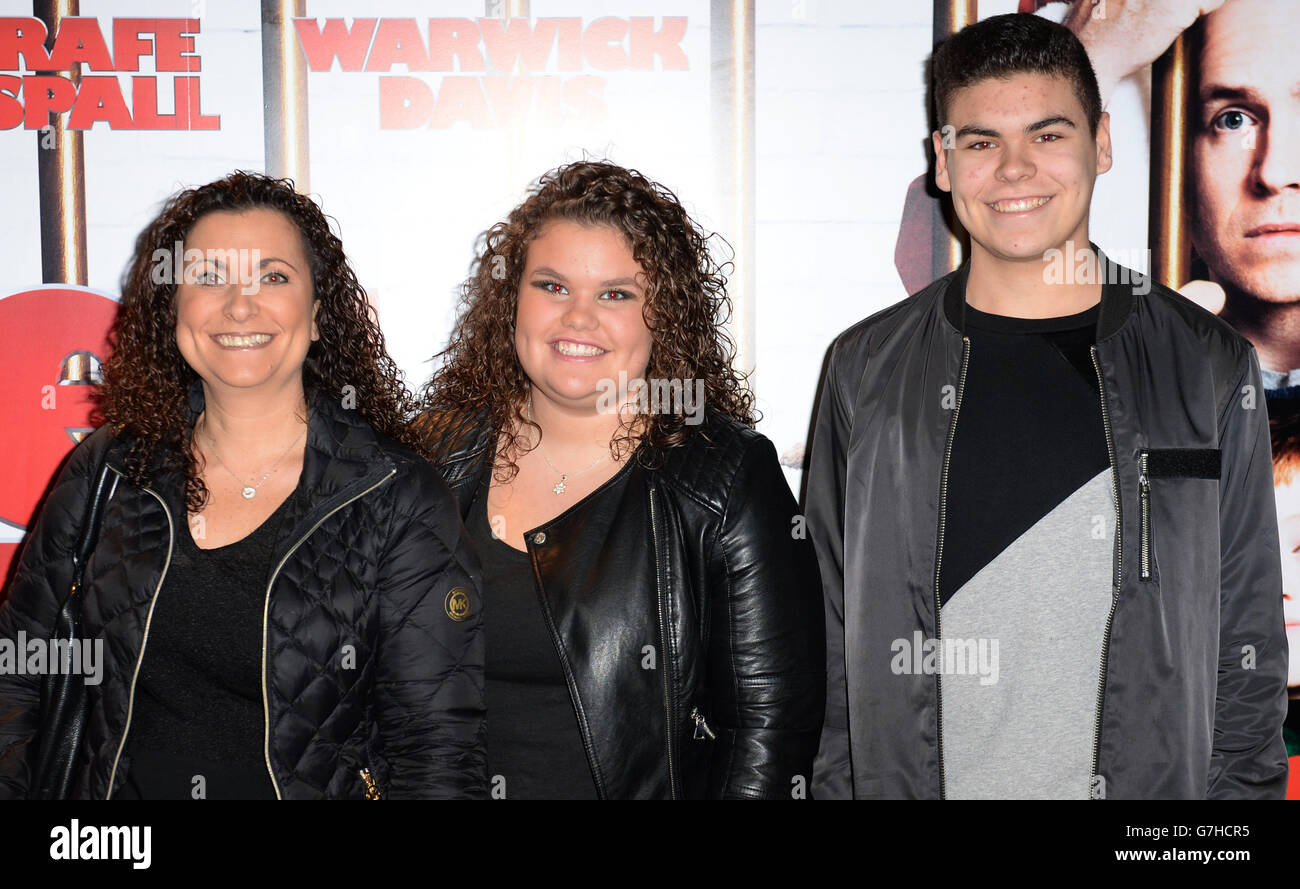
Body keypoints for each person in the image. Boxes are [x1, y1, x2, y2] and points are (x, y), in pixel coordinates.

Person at [808, 13, 1286, 798]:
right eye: (982, 140)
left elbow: (1247, 656)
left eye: (1048, 134)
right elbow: (828, 652)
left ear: (1102, 142)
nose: (1014, 169)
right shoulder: (865, 370)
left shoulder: (1204, 363)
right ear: (942, 159)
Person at [0, 171, 486, 799]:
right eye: (208, 278)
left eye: (273, 277)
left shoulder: (396, 495)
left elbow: (437, 753)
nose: (239, 305)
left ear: (316, 315)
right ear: (172, 308)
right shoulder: (110, 470)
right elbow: (16, 678)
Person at [416, 160, 825, 799]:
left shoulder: (723, 479)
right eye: (552, 286)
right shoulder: (435, 455)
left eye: (616, 293)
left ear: (664, 316)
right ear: (511, 300)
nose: (578, 319)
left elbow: (770, 739)